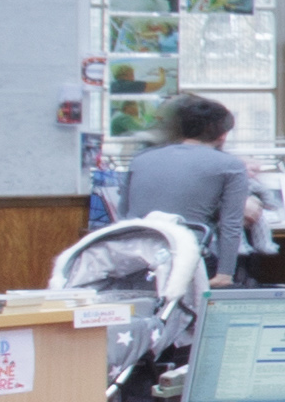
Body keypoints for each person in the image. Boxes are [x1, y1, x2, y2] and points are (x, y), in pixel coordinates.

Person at [114, 95, 272, 272]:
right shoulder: (230, 165)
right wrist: (225, 273)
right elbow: (231, 226)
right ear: (223, 135)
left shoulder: (140, 160)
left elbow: (124, 215)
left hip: (136, 259)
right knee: (249, 267)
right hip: (190, 259)